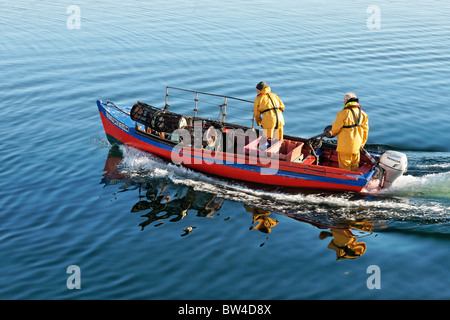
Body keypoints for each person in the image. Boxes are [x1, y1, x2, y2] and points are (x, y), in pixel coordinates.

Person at [326, 93, 369, 171]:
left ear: (346, 101)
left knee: (344, 167)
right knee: (354, 165)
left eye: (344, 100)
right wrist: (362, 144)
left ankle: (345, 181)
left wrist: (330, 133)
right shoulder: (363, 114)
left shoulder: (343, 113)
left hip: (345, 146)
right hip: (357, 146)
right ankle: (354, 180)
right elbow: (365, 131)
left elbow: (335, 129)